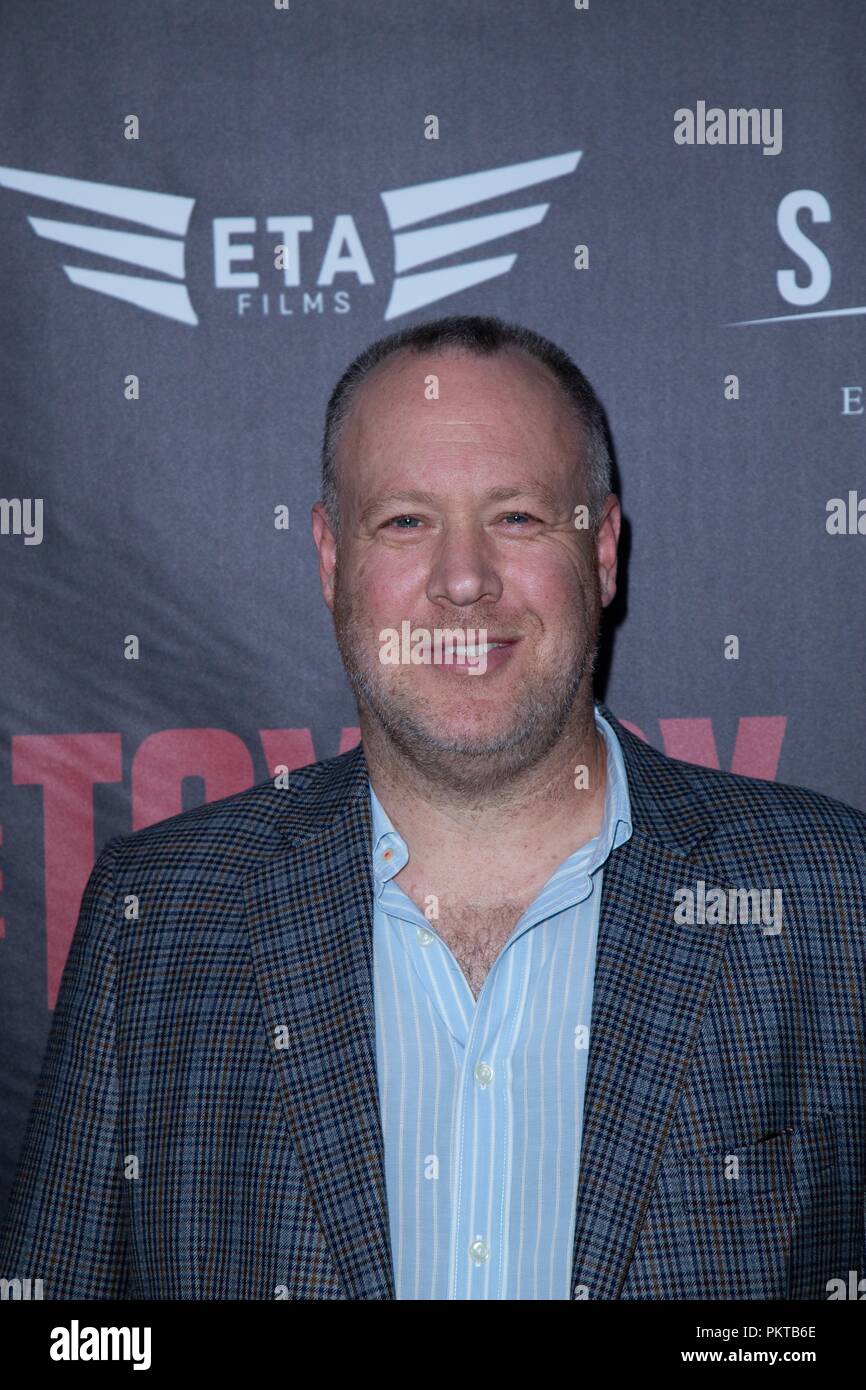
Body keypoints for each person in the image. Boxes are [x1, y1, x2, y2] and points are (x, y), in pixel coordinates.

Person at [1, 314, 864, 1301]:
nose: (464, 582)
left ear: (604, 551)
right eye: (406, 520)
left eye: (517, 517)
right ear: (331, 560)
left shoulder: (831, 897)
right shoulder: (155, 917)